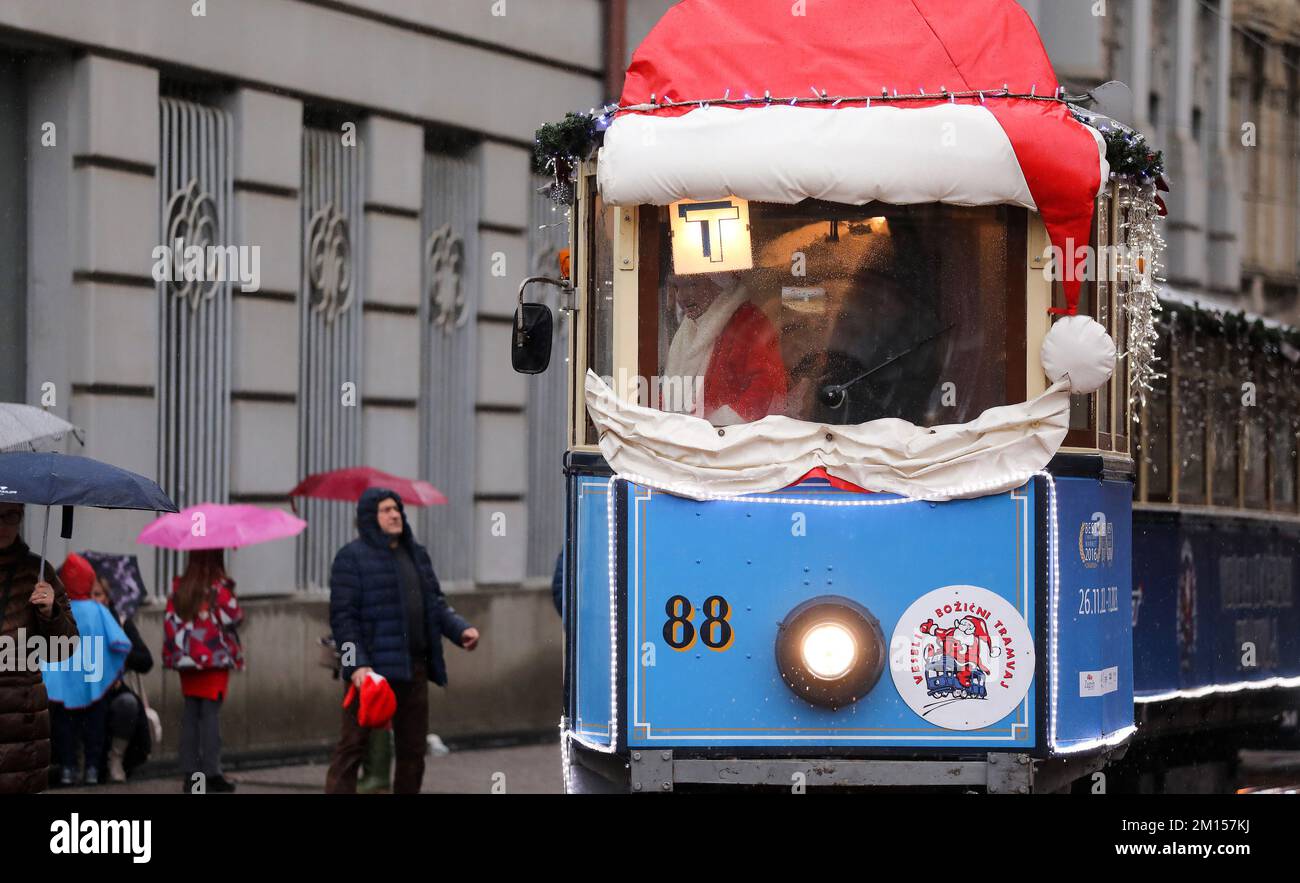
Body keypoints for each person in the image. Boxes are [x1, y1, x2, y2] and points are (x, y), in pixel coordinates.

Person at [325, 488, 480, 794]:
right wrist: (355, 665)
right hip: (370, 676)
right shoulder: (351, 558)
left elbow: (434, 604)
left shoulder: (416, 554)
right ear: (370, 518)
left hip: (414, 670)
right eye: (386, 510)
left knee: (412, 752)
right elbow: (343, 619)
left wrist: (460, 630)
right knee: (352, 747)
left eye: (397, 509)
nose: (395, 514)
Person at [0, 502, 79, 794]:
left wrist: (50, 613)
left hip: (22, 720)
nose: (3, 525)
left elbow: (65, 648)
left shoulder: (40, 573)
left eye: (11, 516)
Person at [44, 553, 131, 786]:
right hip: (95, 680)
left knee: (64, 728)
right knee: (95, 727)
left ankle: (68, 769)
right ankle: (92, 768)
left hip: (64, 683)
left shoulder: (59, 609)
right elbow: (121, 642)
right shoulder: (98, 610)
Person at [162, 549, 243, 794]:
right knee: (209, 716)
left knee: (190, 715)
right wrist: (228, 587)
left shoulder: (181, 587)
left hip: (187, 661)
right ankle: (211, 773)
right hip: (214, 660)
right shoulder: (218, 588)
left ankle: (191, 775)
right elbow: (234, 617)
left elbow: (170, 623)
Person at [662, 272, 787, 425]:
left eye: (692, 285)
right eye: (676, 288)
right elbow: (672, 390)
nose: (681, 297)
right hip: (693, 437)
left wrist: (721, 425)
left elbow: (767, 385)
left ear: (719, 285)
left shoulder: (748, 322)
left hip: (732, 441)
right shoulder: (688, 330)